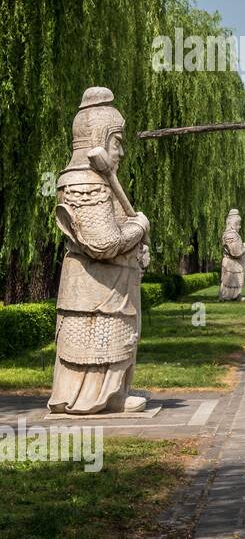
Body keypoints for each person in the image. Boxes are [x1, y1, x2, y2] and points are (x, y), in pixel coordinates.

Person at [48, 87, 150, 414]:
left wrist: (137, 250)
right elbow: (102, 243)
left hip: (113, 288)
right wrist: (140, 228)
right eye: (118, 142)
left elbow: (117, 234)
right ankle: (91, 398)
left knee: (116, 341)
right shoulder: (83, 182)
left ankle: (113, 394)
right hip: (95, 291)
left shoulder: (102, 181)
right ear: (100, 140)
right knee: (95, 346)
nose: (120, 153)